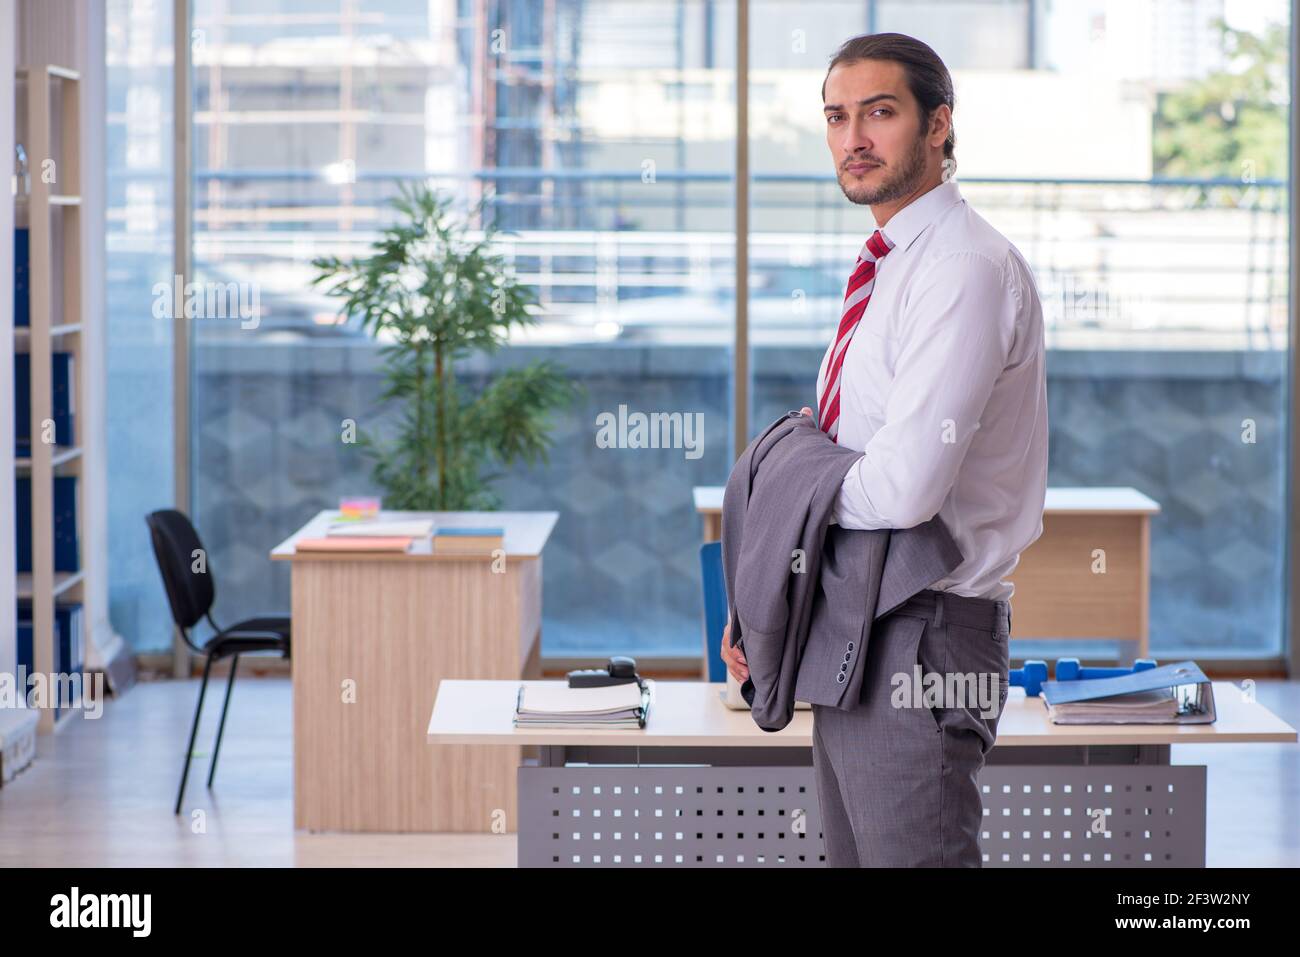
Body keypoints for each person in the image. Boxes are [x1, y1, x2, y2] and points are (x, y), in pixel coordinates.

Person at [721, 32, 1049, 867]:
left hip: (926, 634)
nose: (853, 138)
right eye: (837, 117)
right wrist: (778, 594)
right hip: (861, 618)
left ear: (939, 124)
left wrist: (800, 495)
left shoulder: (963, 268)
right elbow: (851, 454)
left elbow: (902, 489)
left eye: (880, 112)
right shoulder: (890, 262)